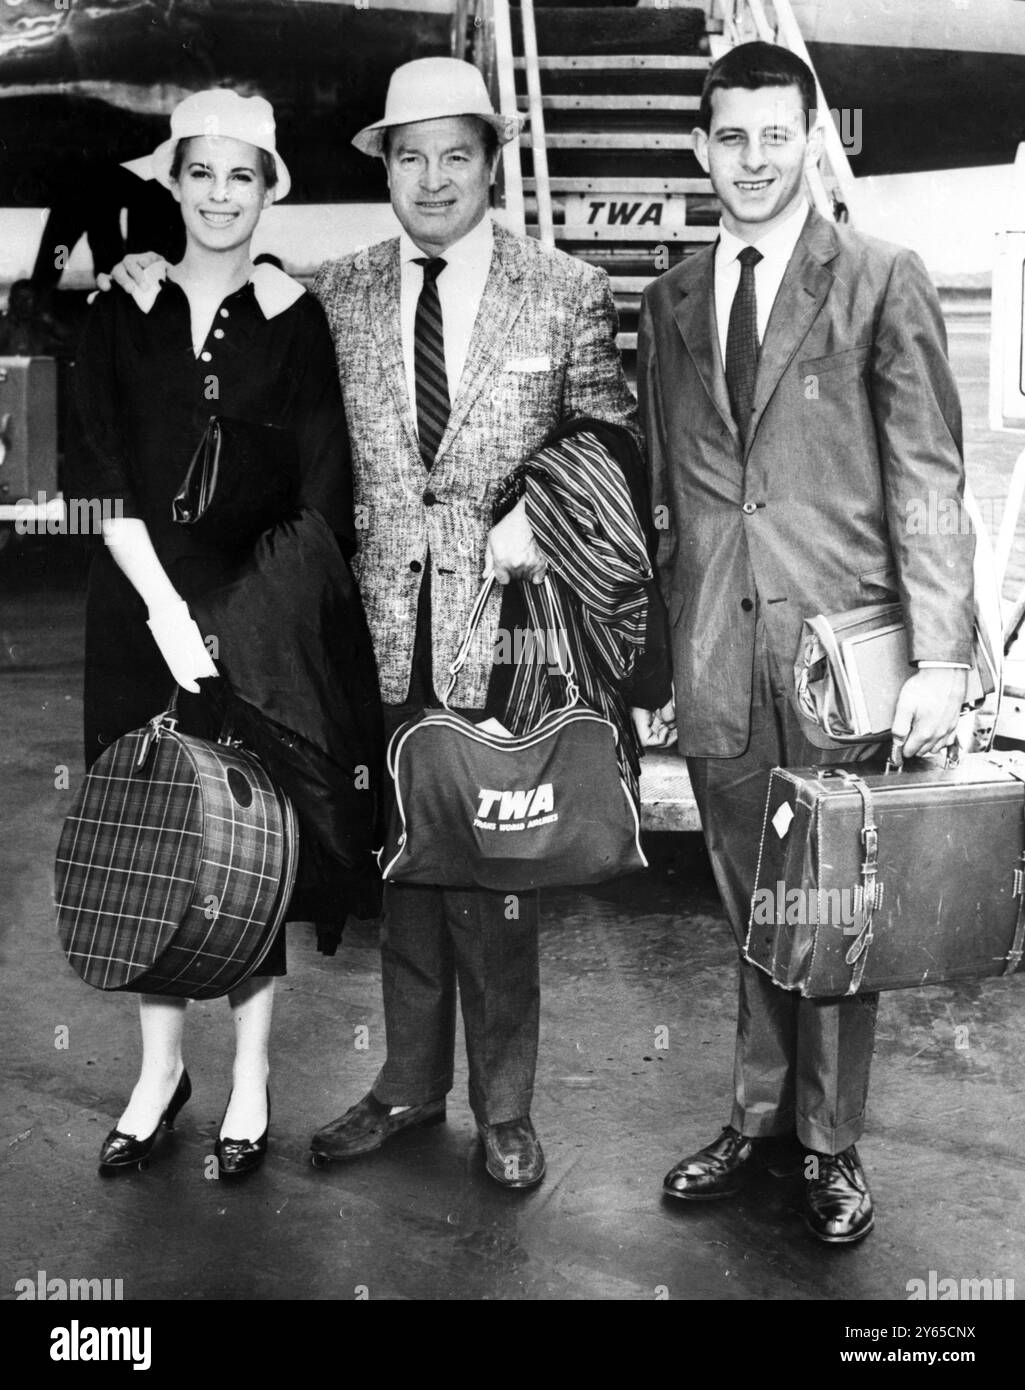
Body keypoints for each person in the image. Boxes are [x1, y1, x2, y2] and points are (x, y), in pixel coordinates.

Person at [635, 42, 975, 1243]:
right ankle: (758, 1114)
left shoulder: (880, 277)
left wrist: (943, 655)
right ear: (699, 149)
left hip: (845, 660)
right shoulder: (666, 301)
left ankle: (830, 1146)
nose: (752, 159)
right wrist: (653, 660)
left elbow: (929, 478)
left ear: (811, 139)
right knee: (747, 898)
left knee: (835, 904)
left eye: (776, 135)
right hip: (718, 656)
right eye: (729, 136)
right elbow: (667, 497)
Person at [71, 89, 382, 1180]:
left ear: (266, 190)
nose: (217, 195)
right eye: (198, 173)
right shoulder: (120, 308)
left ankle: (250, 1071)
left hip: (250, 622)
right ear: (172, 184)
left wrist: (235, 625)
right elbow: (98, 473)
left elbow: (321, 496)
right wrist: (164, 613)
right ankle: (160, 1072)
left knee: (255, 848)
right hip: (137, 610)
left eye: (240, 175)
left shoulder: (293, 319)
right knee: (146, 832)